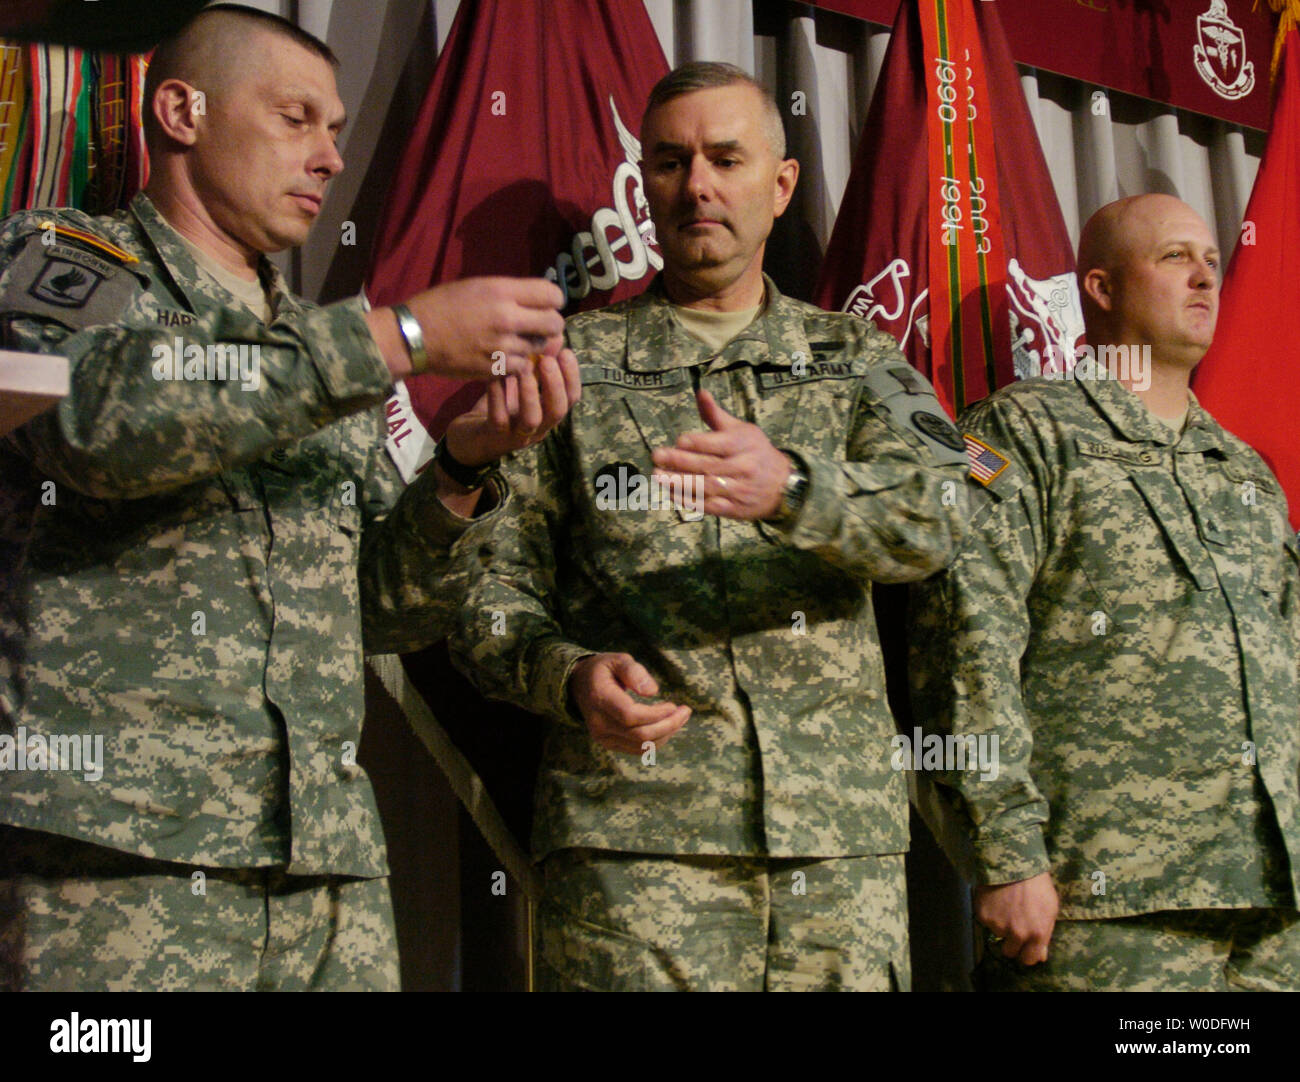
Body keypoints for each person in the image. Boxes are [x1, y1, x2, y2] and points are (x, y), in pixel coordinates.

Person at [0, 4, 580, 991]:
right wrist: (390, 338)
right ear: (182, 111)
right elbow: (96, 423)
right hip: (124, 856)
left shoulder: (314, 343)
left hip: (325, 865)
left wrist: (462, 468)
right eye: (295, 117)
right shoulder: (60, 254)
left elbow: (380, 612)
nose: (326, 156)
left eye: (337, 131)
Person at [450, 61, 969, 991]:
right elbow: (481, 593)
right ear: (641, 183)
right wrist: (565, 677)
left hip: (835, 856)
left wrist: (797, 488)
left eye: (727, 158)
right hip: (636, 856)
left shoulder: (854, 357)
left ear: (780, 186)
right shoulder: (568, 365)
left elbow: (949, 513)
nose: (697, 185)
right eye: (670, 161)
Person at [908, 193, 1300, 991]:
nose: (1204, 279)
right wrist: (1007, 856)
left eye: (1213, 263)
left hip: (1271, 904)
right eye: (1174, 258)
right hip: (1106, 905)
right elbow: (963, 648)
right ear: (1101, 288)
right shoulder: (1019, 436)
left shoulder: (1244, 472)